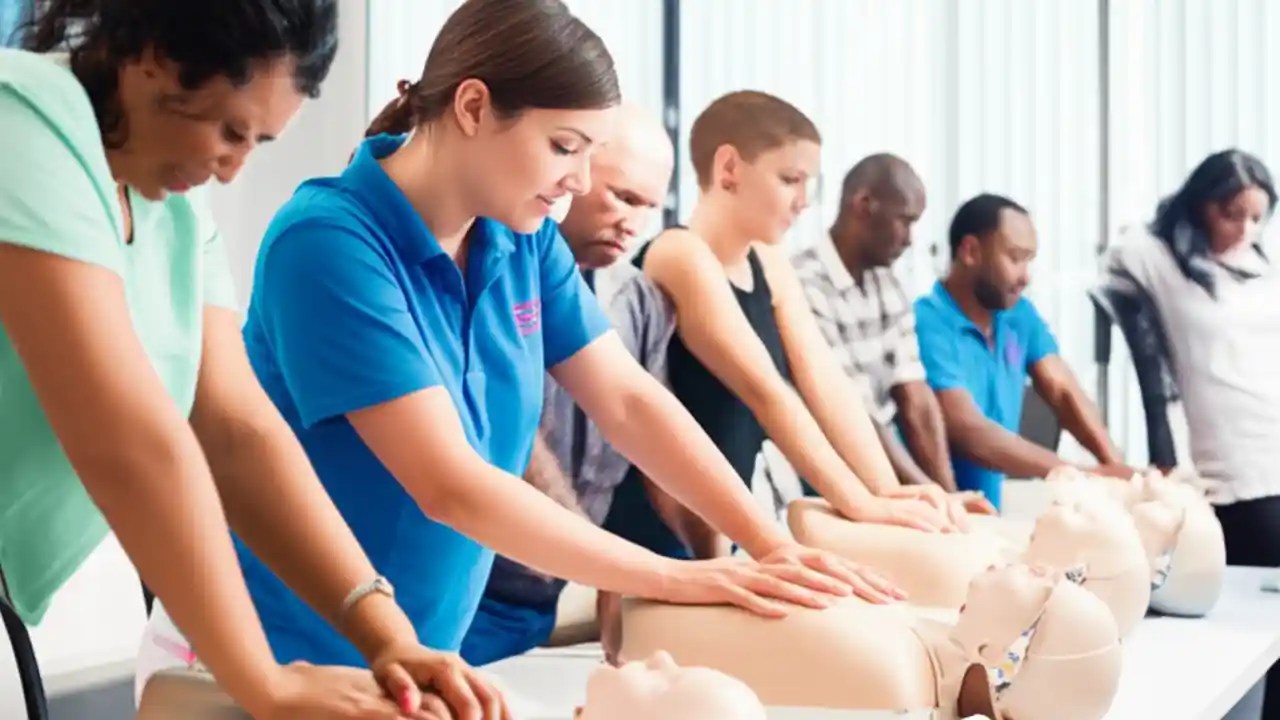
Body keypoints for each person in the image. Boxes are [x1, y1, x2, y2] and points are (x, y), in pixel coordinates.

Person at [140, 0, 898, 691]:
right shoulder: (330, 244)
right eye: (564, 146)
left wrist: (767, 546)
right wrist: (680, 578)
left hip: (413, 655)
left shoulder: (518, 239)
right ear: (473, 106)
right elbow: (449, 483)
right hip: (264, 656)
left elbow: (628, 400)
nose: (577, 180)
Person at [0, 2, 500, 719]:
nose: (232, 171)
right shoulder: (21, 122)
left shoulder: (173, 207)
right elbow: (128, 441)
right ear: (150, 57)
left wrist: (385, 635)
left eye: (256, 142)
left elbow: (237, 433)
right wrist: (263, 681)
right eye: (229, 131)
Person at [611, 90, 969, 561]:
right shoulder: (679, 255)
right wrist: (859, 503)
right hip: (663, 531)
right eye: (789, 179)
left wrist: (884, 491)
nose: (803, 202)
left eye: (808, 185)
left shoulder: (768, 260)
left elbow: (824, 381)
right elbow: (767, 391)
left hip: (728, 520)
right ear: (729, 170)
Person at [461, 103, 695, 666]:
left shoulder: (640, 299)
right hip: (473, 583)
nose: (636, 223)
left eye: (650, 207)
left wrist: (719, 562)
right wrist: (607, 564)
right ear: (574, 173)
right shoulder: (492, 265)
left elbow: (648, 433)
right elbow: (510, 444)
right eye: (623, 197)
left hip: (551, 590)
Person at [1100, 149, 1279, 719]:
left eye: (1258, 217)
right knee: (1242, 634)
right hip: (1232, 471)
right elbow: (1118, 266)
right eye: (1233, 214)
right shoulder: (1158, 257)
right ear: (1201, 205)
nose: (1246, 230)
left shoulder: (1261, 262)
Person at [915, 193, 1130, 511]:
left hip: (987, 513)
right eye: (1015, 258)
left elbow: (1062, 389)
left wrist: (1116, 469)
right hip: (931, 513)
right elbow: (969, 432)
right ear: (970, 250)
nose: (1025, 276)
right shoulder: (926, 321)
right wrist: (1078, 474)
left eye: (1030, 260)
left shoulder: (1018, 315)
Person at [792, 154, 967, 499]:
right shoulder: (801, 284)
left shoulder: (888, 284)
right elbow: (851, 412)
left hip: (884, 472)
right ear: (863, 205)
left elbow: (916, 399)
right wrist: (924, 495)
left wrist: (948, 496)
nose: (910, 239)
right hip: (824, 484)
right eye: (904, 220)